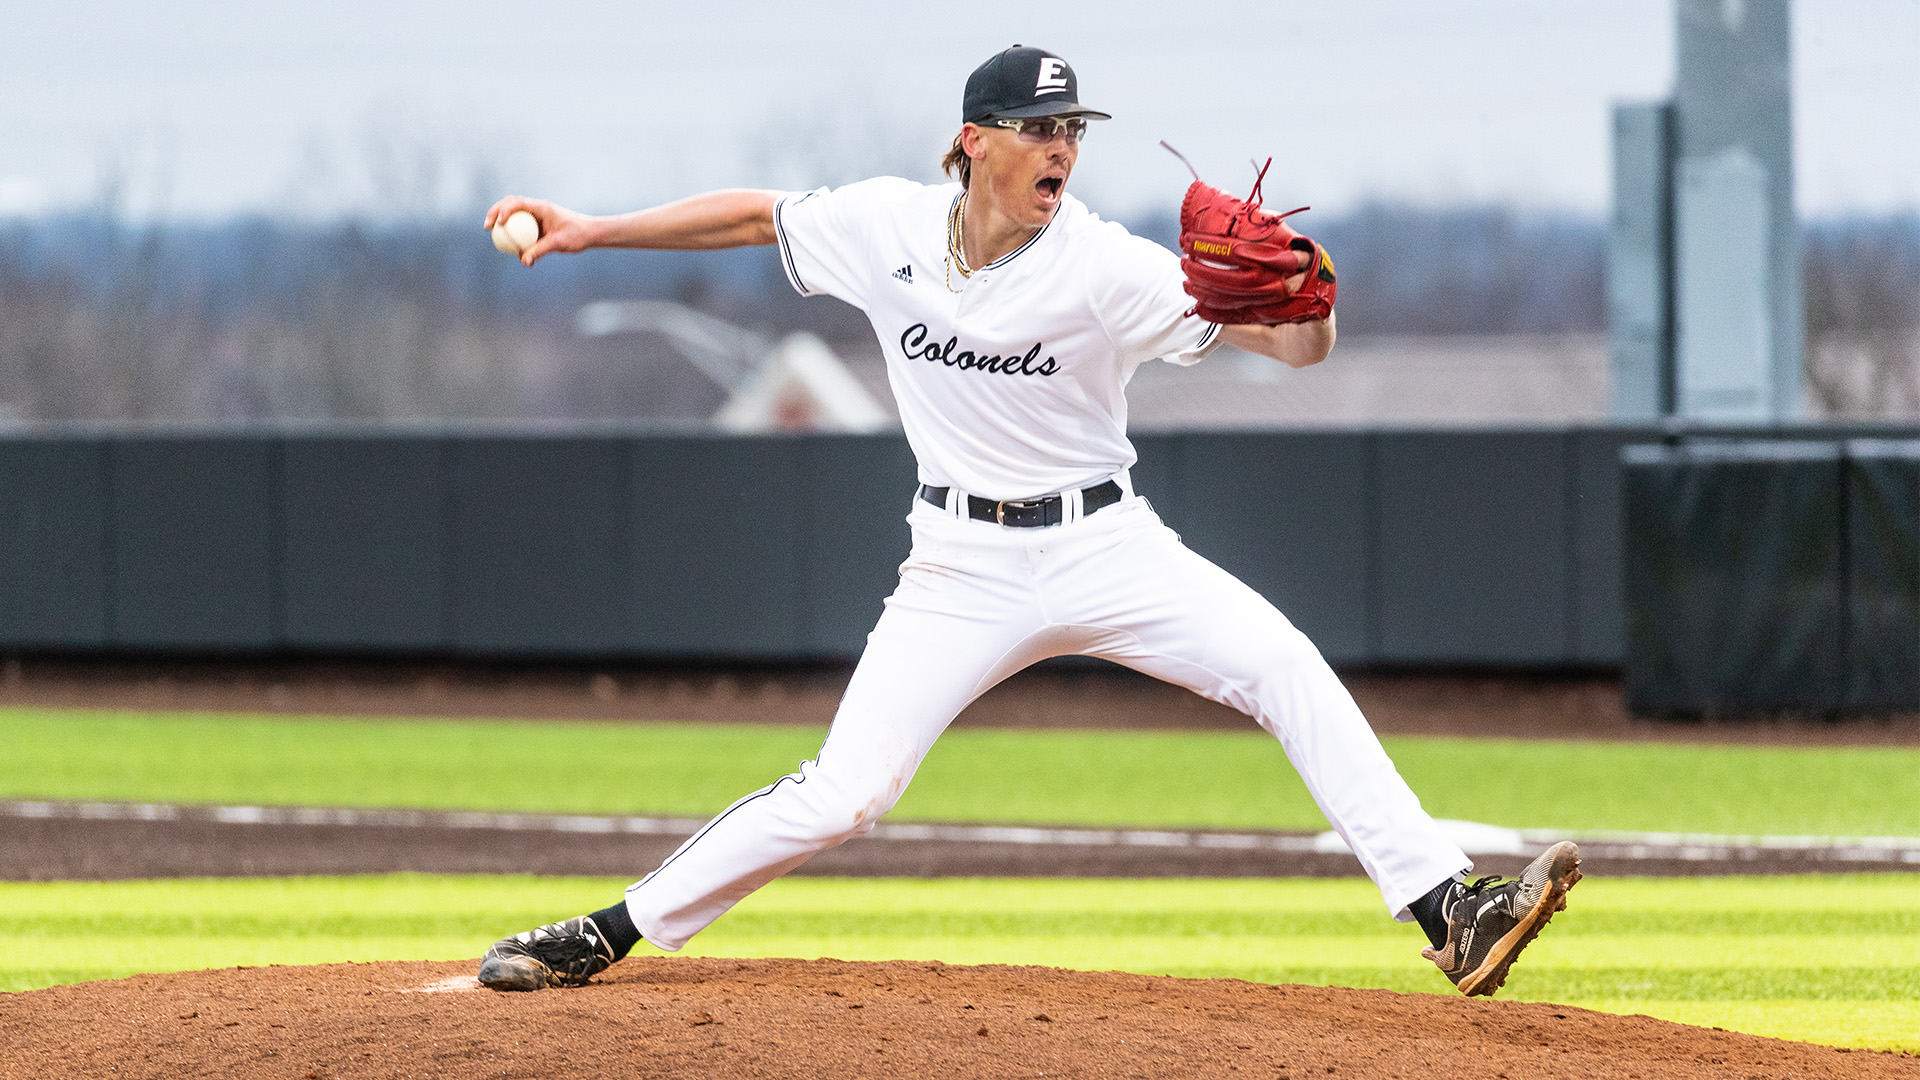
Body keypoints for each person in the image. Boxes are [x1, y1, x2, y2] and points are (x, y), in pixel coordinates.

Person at [474, 45, 1580, 1000]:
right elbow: (756, 215)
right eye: (1039, 128)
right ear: (974, 142)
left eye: (1073, 130)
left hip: (1108, 546)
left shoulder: (1105, 265)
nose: (1062, 148)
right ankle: (606, 932)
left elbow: (1288, 353)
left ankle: (1451, 912)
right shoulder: (886, 227)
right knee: (845, 792)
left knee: (1282, 665)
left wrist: (1314, 310)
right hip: (959, 564)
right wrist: (592, 231)